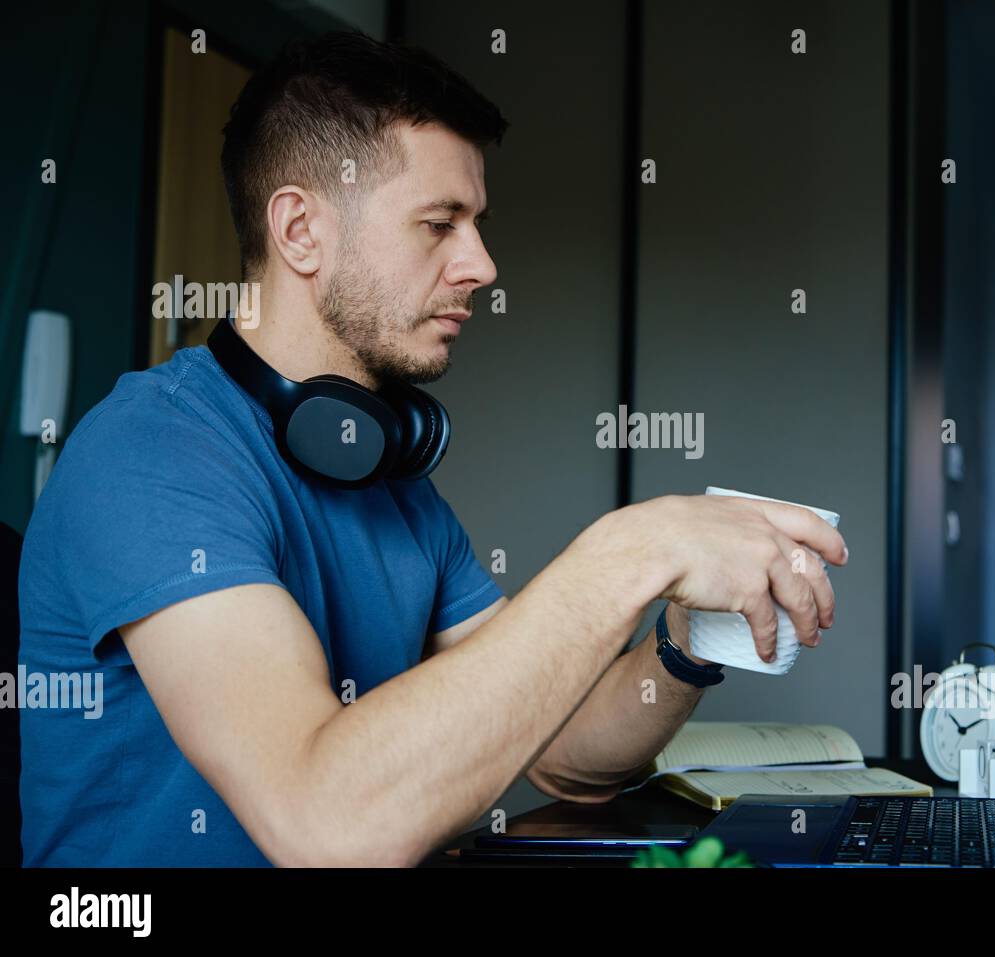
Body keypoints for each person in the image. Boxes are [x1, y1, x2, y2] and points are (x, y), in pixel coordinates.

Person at [17, 31, 846, 866]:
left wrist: (686, 638)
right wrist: (635, 547)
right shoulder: (150, 455)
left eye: (476, 224)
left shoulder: (389, 480)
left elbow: (568, 757)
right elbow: (325, 824)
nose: (482, 264)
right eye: (439, 224)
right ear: (301, 230)